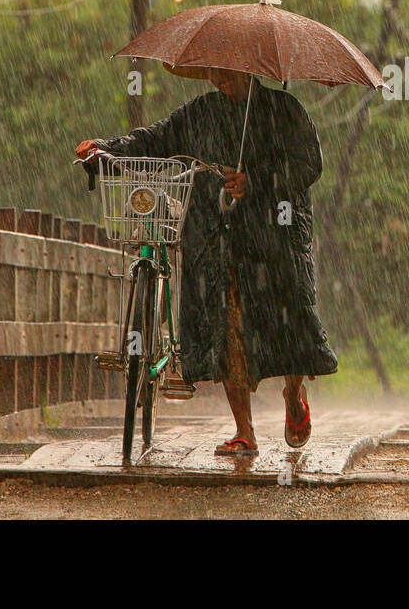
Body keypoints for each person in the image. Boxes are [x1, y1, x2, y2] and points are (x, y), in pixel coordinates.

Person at [75, 65, 336, 455]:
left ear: (249, 73)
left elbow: (309, 164)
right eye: (215, 76)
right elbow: (157, 137)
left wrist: (258, 180)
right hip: (218, 236)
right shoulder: (200, 112)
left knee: (288, 327)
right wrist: (106, 148)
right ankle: (244, 431)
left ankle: (294, 396)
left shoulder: (285, 111)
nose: (220, 83)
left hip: (274, 238)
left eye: (228, 77)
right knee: (226, 325)